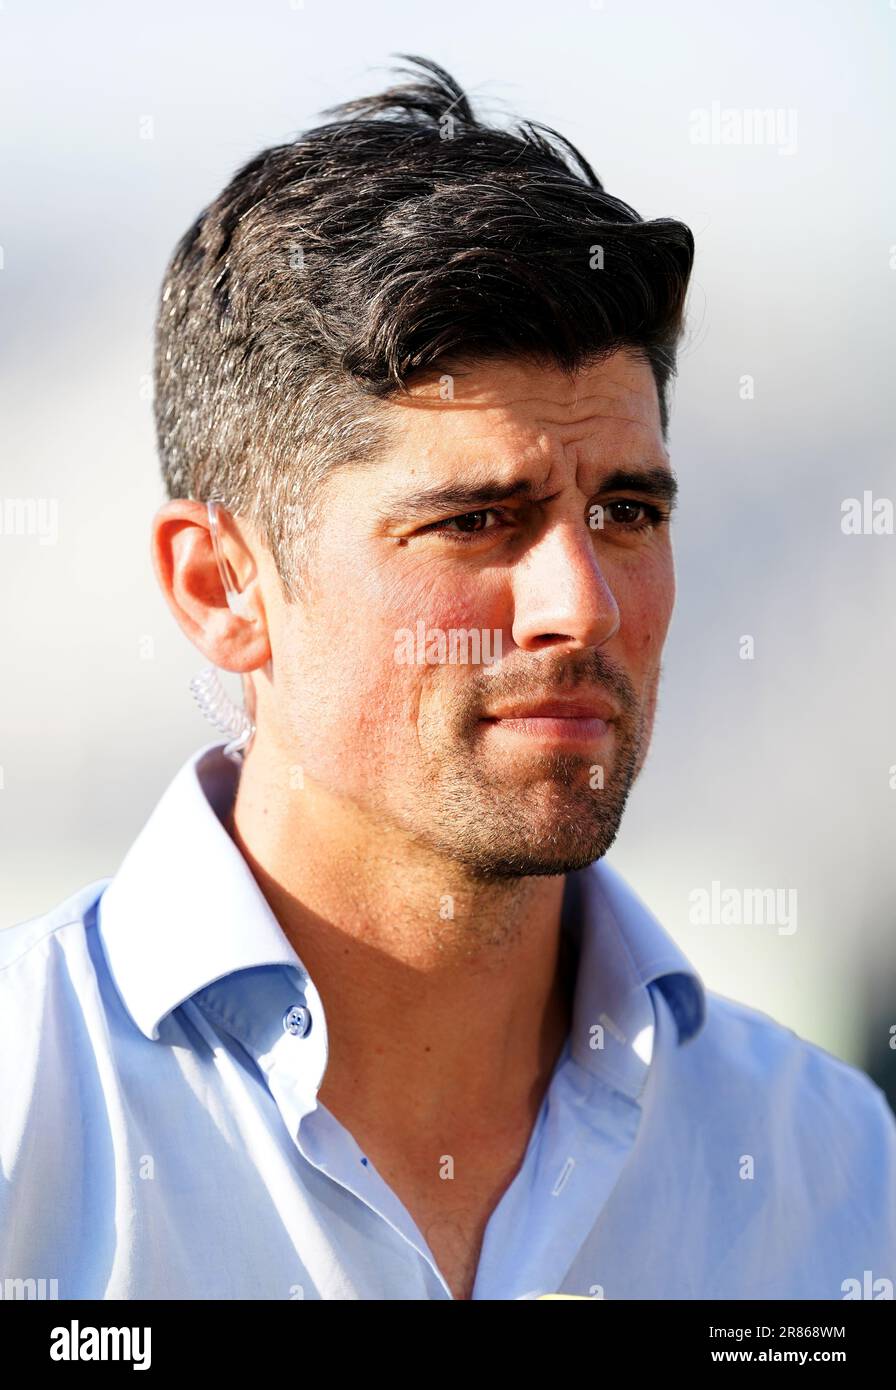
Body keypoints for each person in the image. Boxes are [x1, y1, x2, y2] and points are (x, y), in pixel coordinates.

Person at [1, 55, 893, 1303]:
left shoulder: (835, 1172)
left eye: (625, 509)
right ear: (220, 588)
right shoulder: (25, 1121)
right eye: (477, 520)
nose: (581, 603)